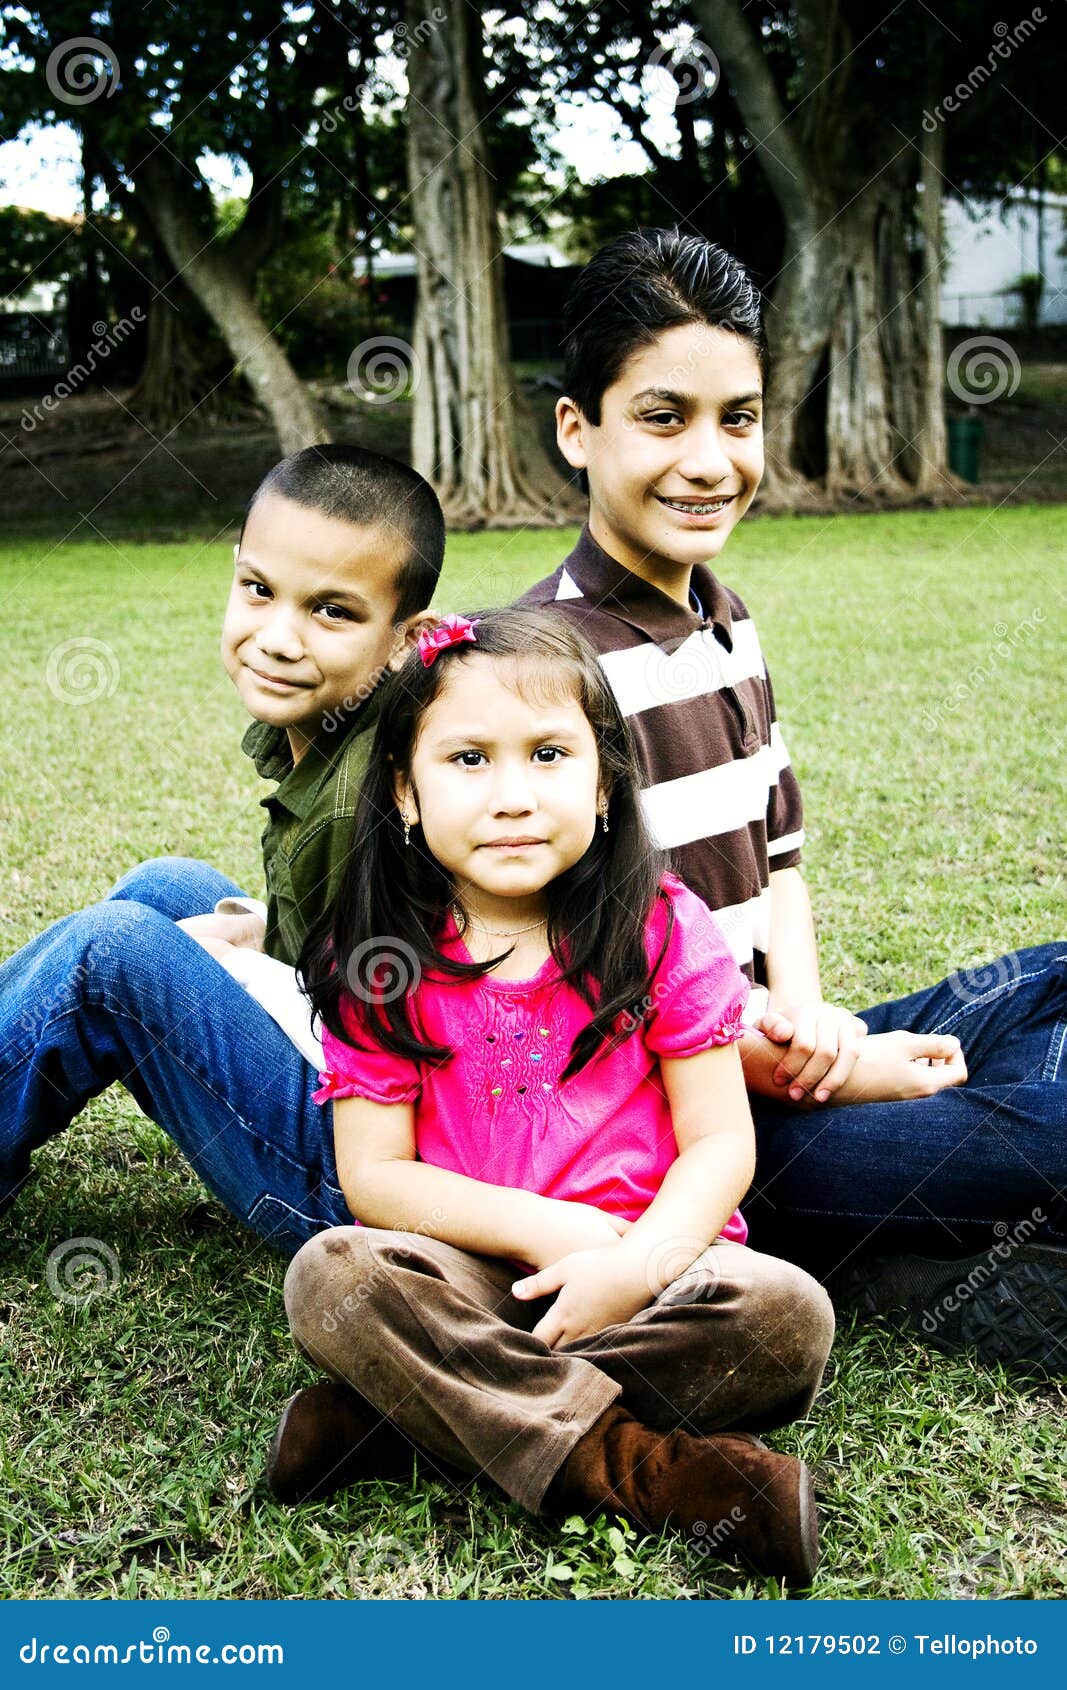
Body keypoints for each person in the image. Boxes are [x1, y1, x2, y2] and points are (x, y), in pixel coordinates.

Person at [517, 227, 1066, 1372]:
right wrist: (825, 1071)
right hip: (704, 1131)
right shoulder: (535, 673)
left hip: (793, 1060)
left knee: (1054, 973)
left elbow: (777, 866)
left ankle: (912, 1222)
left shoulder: (728, 618)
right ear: (576, 429)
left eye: (738, 418)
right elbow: (597, 997)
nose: (709, 459)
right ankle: (897, 1238)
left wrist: (817, 1026)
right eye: (661, 418)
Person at [273, 607, 835, 1586]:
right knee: (330, 1276)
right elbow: (373, 1177)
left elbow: (716, 1144)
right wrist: (539, 1229)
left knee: (787, 1316)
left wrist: (631, 1264)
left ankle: (410, 1421)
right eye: (467, 760)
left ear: (606, 784)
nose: (511, 796)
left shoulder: (661, 927)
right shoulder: (376, 958)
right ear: (403, 793)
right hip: (469, 1274)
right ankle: (650, 1473)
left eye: (546, 754)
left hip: (646, 1274)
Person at [0, 445, 444, 1251]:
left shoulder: (370, 796)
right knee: (167, 886)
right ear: (235, 570)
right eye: (260, 591)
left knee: (117, 952)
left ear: (402, 639)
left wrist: (224, 966)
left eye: (332, 612)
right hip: (347, 1063)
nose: (278, 638)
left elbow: (381, 1034)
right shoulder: (337, 730)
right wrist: (244, 941)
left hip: (360, 1180)